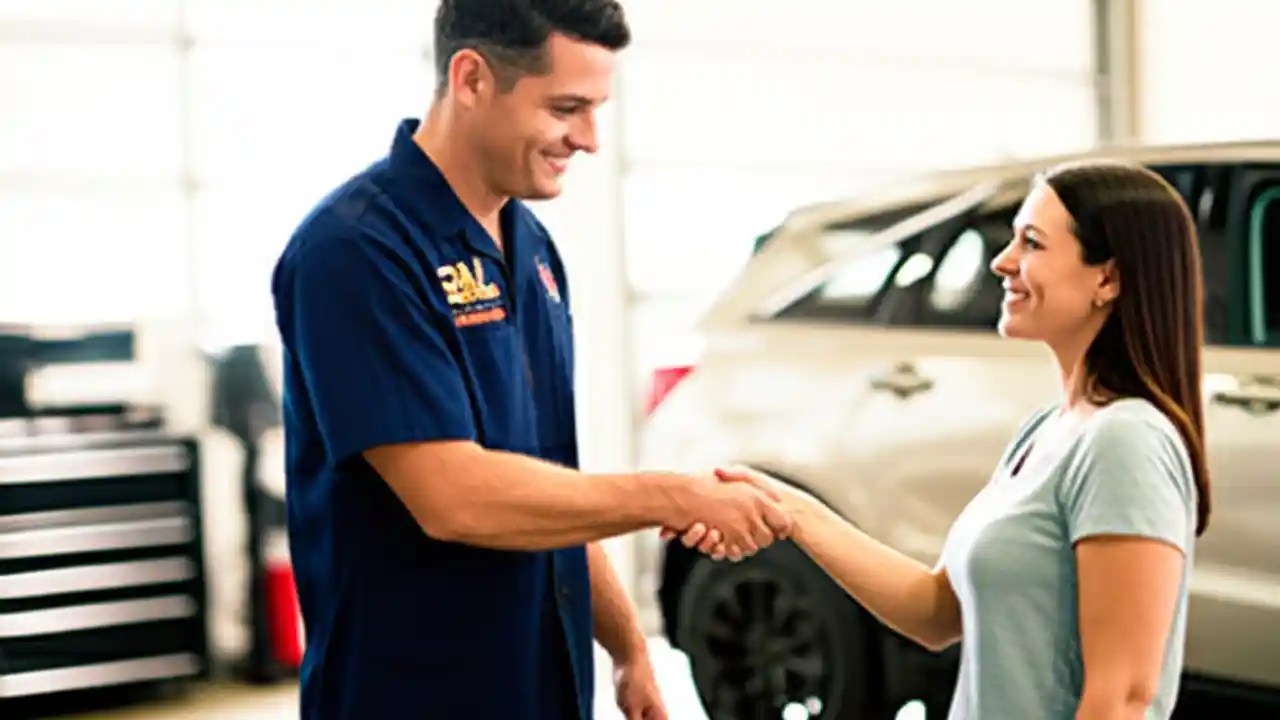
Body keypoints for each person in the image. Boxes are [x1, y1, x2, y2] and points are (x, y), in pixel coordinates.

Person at [270, 2, 792, 718]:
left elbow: (545, 480)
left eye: (596, 109)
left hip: (542, 685)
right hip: (412, 694)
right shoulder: (357, 252)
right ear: (473, 79)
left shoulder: (533, 250)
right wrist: (674, 496)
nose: (589, 140)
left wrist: (628, 647)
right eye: (567, 108)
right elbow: (455, 496)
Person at [678, 160, 1211, 719]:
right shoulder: (1046, 431)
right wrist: (788, 509)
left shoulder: (1125, 442)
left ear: (1108, 278)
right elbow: (934, 613)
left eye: (1032, 243)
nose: (1003, 262)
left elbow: (1122, 698)